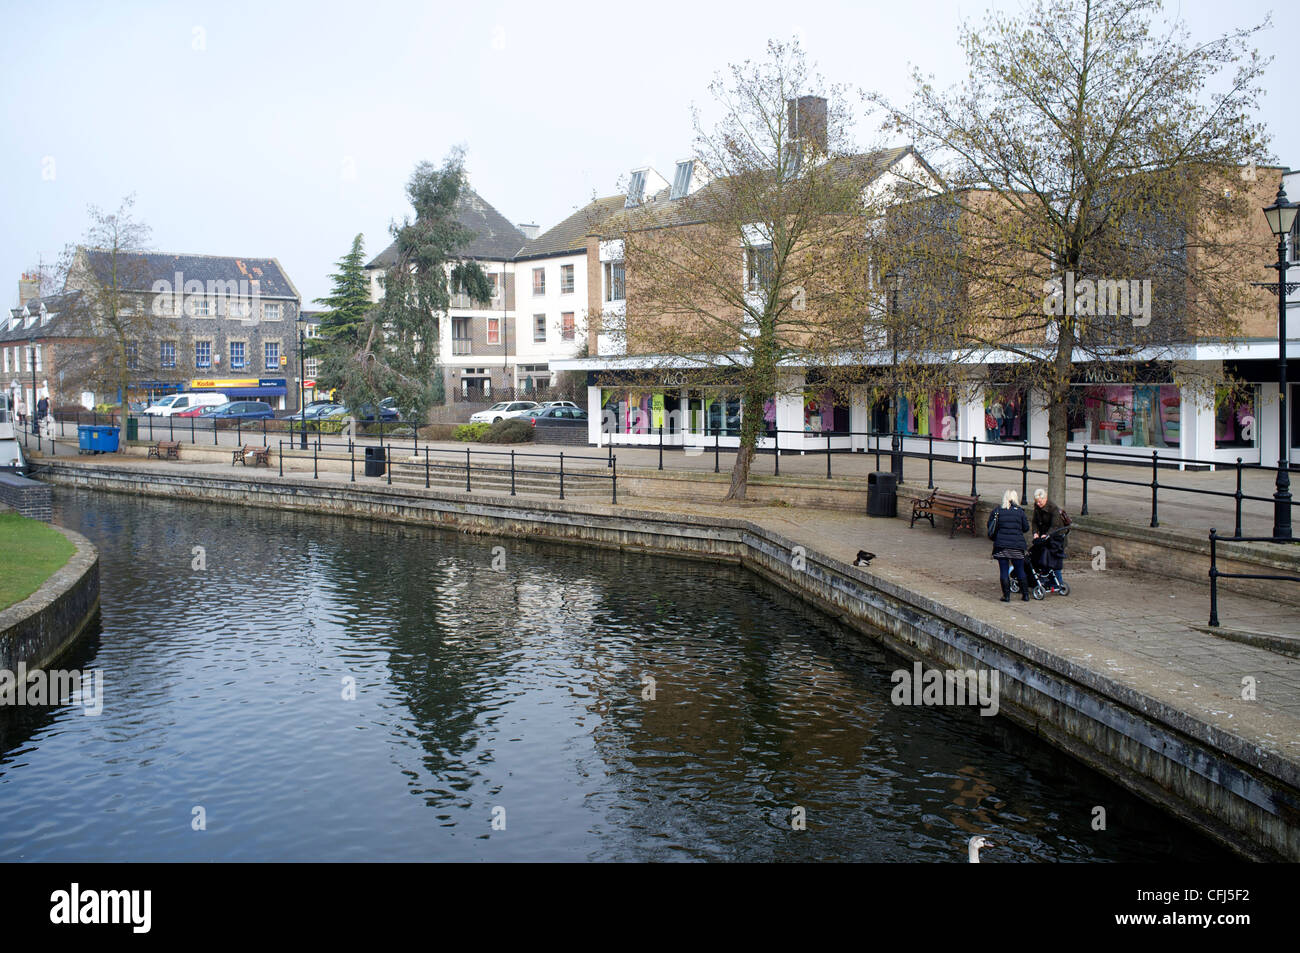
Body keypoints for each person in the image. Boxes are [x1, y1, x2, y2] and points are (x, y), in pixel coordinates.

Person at [987, 488, 1031, 602]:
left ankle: (1006, 596)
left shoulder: (997, 511)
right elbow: (1026, 528)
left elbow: (990, 526)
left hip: (1002, 545)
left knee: (1004, 570)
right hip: (1017, 545)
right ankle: (1025, 595)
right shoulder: (1020, 511)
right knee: (1020, 569)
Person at [1031, 488, 1066, 591]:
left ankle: (1058, 583)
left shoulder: (1053, 508)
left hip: (1056, 539)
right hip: (1044, 538)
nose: (1038, 503)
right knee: (1043, 559)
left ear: (1045, 498)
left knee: (1054, 561)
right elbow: (1034, 522)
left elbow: (1055, 526)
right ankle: (1048, 581)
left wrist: (1047, 534)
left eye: (1040, 501)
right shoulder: (1037, 507)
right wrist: (1035, 532)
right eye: (1036, 501)